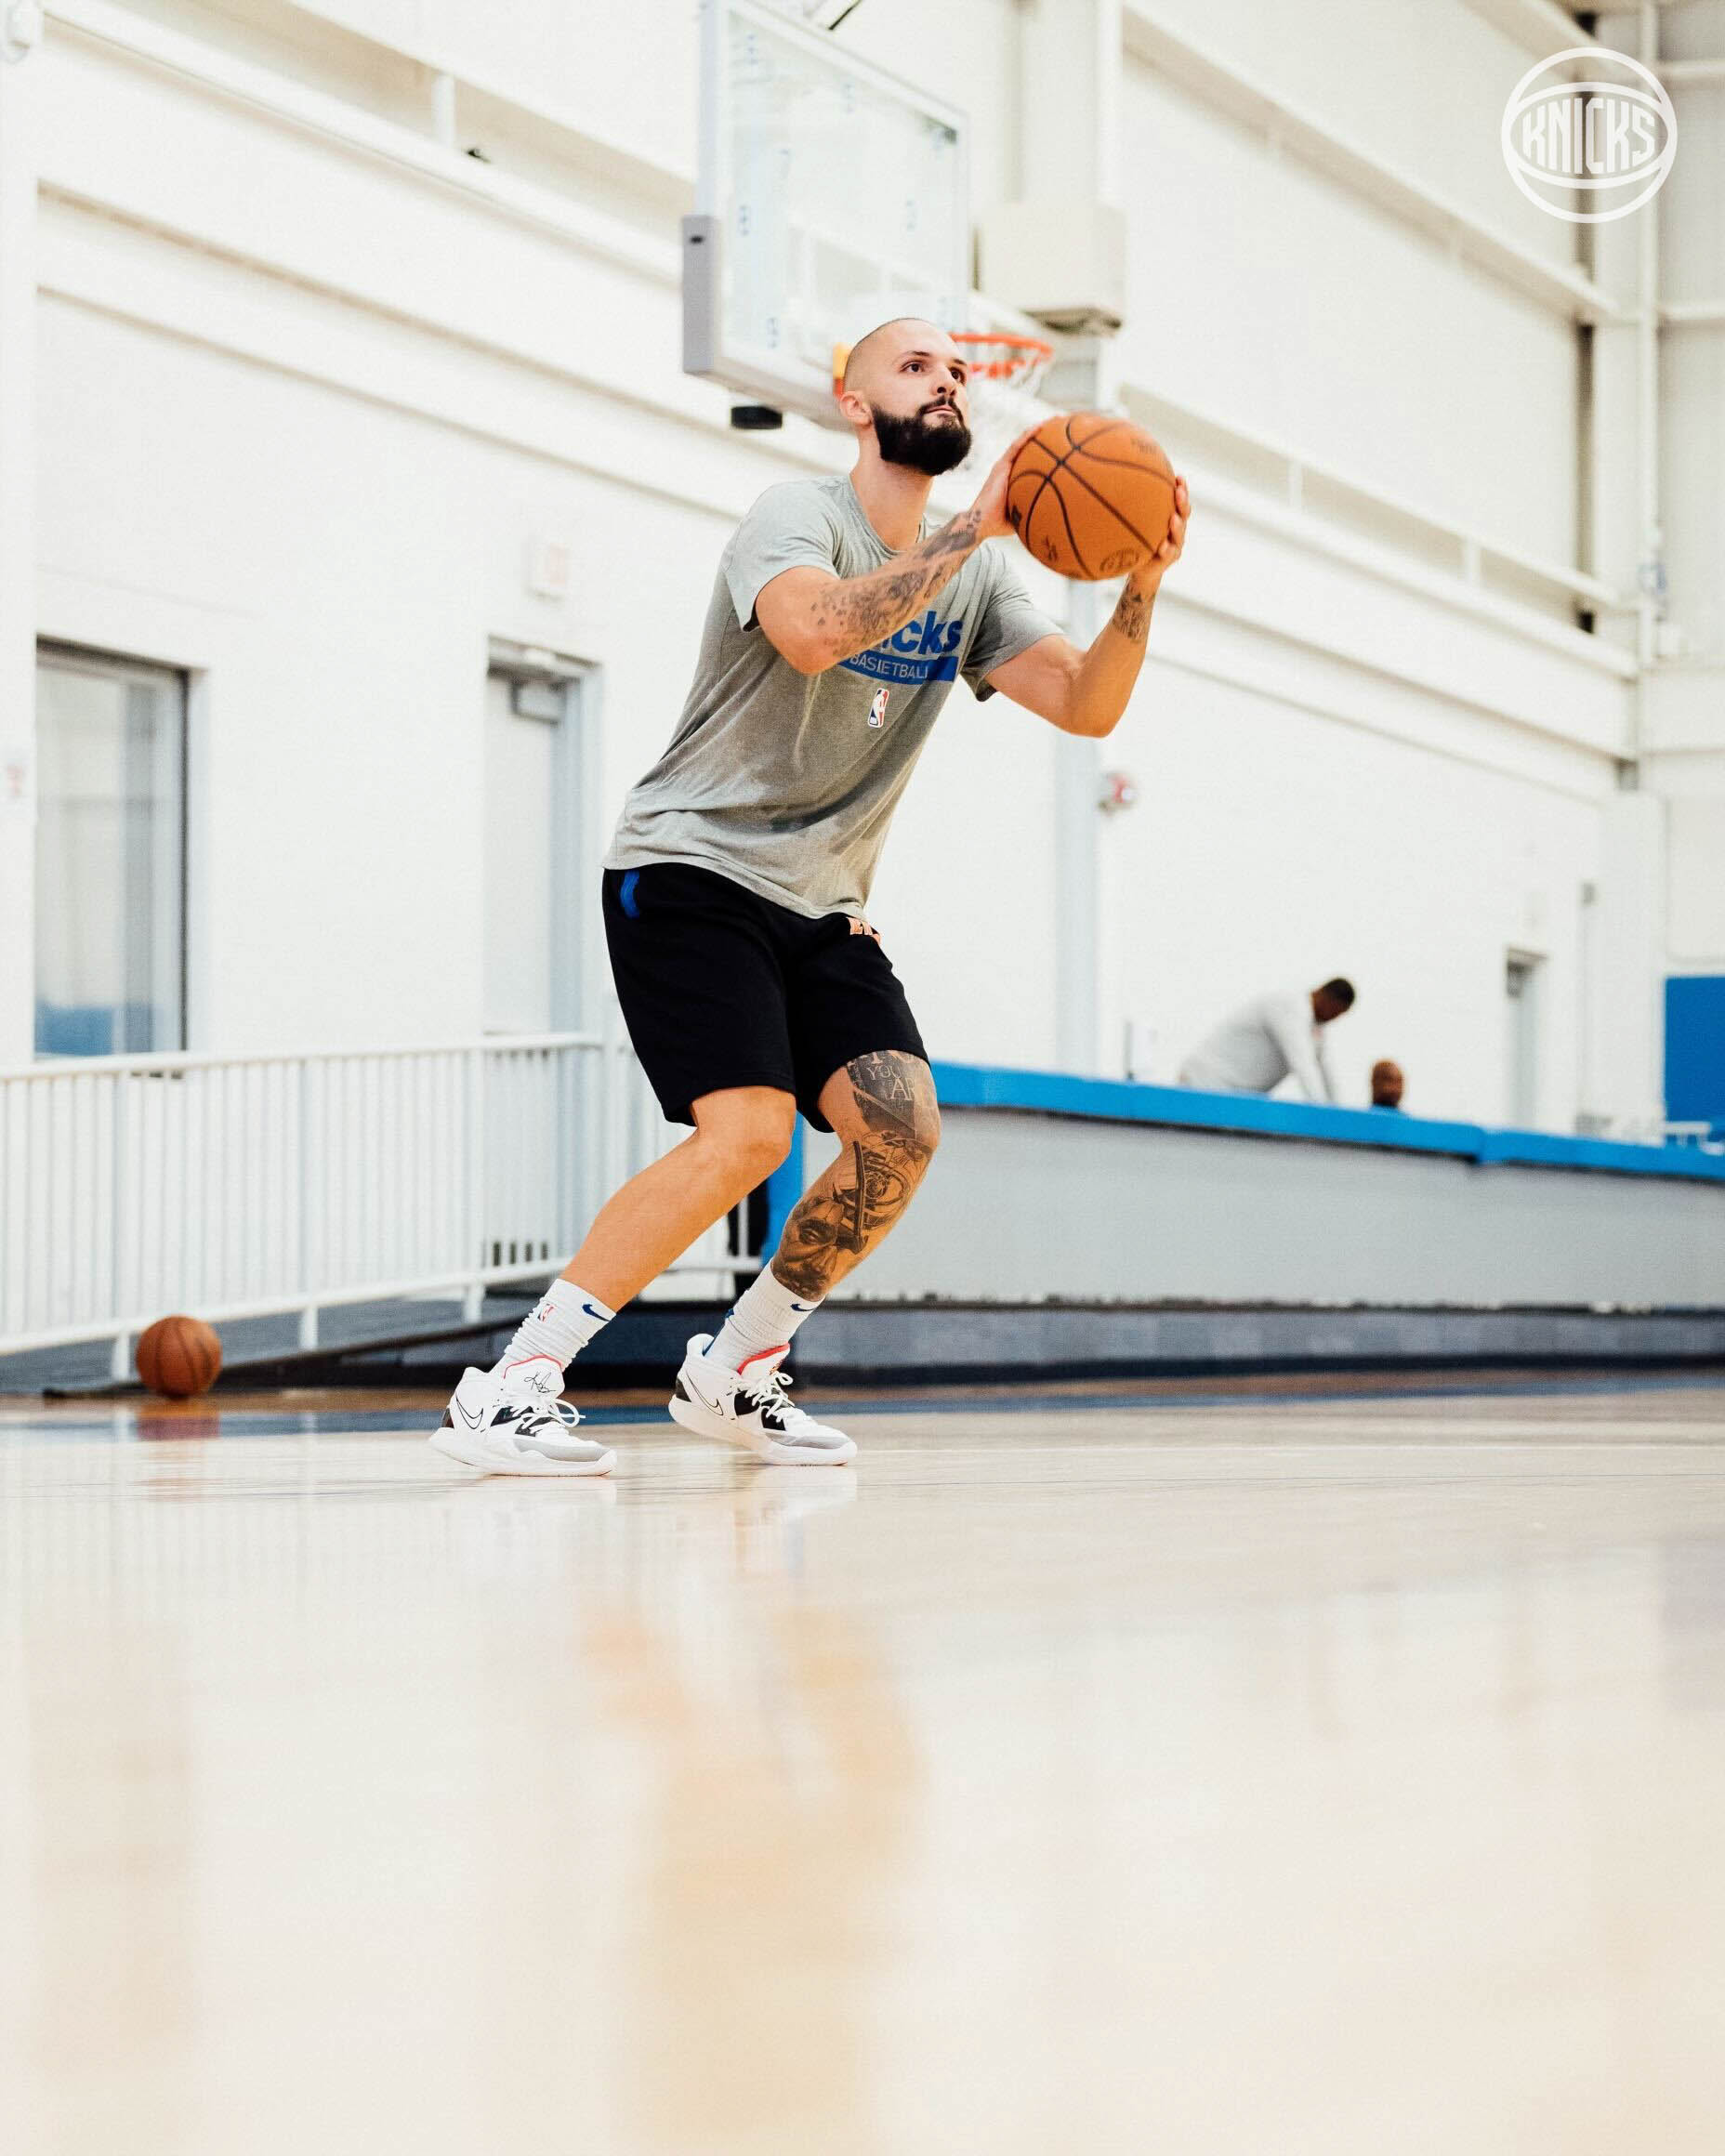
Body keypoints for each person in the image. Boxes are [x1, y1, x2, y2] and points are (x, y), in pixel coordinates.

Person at [431, 316, 1190, 1476]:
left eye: (956, 370)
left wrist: (1140, 575)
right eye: (915, 366)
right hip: (693, 867)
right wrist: (977, 525)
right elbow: (811, 633)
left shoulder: (977, 577)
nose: (945, 381)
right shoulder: (796, 516)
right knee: (746, 1136)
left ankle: (738, 1368)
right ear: (852, 400)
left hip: (823, 904)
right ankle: (517, 1379)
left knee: (898, 1132)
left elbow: (1087, 705)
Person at [1177, 979, 1355, 1103]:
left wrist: (1340, 1117)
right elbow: (1302, 1064)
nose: (1333, 1018)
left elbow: (1327, 1074)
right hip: (1205, 1082)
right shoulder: (1289, 1006)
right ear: (1321, 994)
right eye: (1334, 1011)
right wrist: (1322, 1117)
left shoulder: (1316, 1028)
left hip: (1236, 1097)